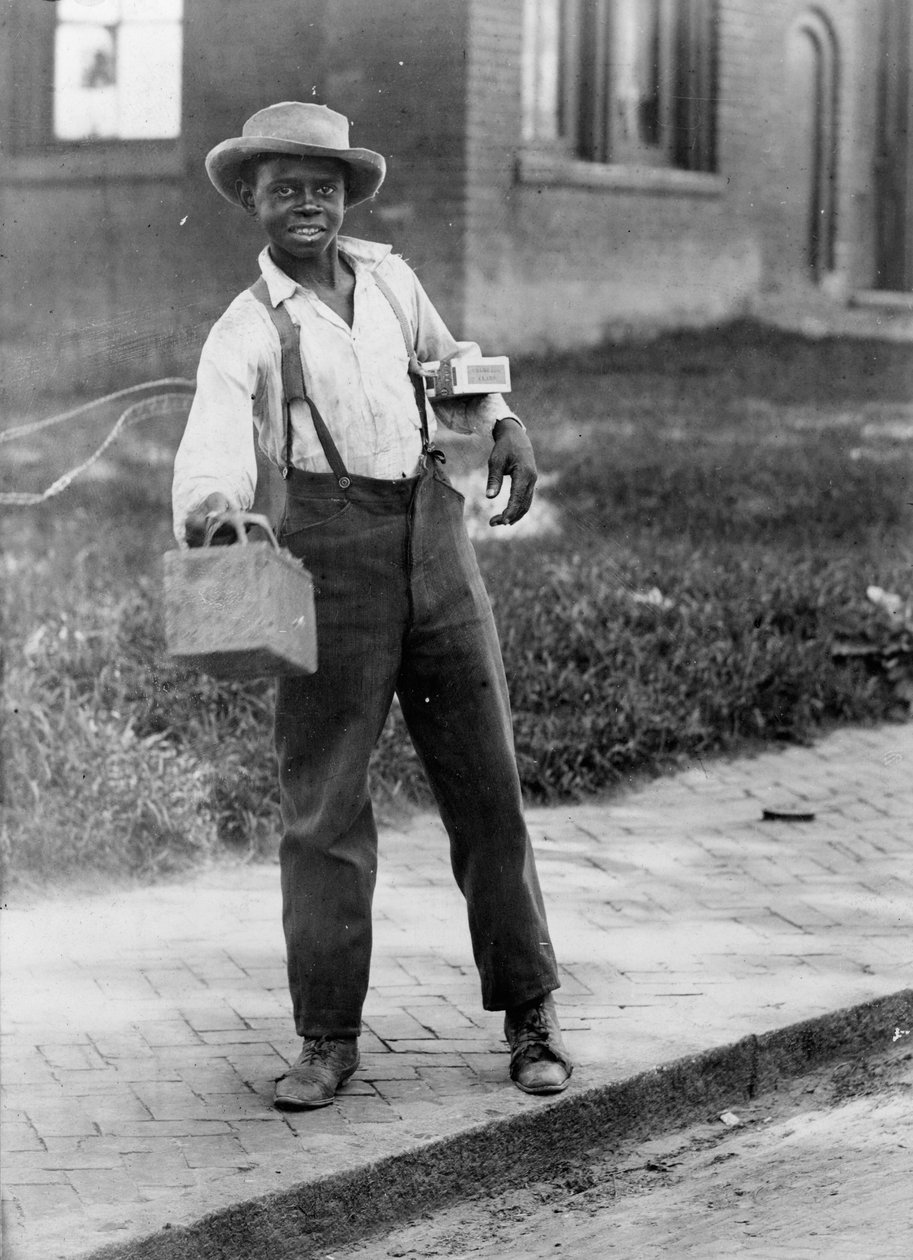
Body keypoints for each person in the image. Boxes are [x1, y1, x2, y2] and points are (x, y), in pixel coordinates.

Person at [172, 102, 572, 1109]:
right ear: (252, 200)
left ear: (347, 196)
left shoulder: (391, 279)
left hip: (436, 552)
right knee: (324, 812)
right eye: (284, 188)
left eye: (323, 186)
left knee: (488, 793)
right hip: (329, 570)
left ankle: (531, 1017)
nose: (306, 204)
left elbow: (450, 368)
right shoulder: (245, 328)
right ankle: (326, 1039)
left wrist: (503, 422)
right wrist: (214, 510)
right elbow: (214, 439)